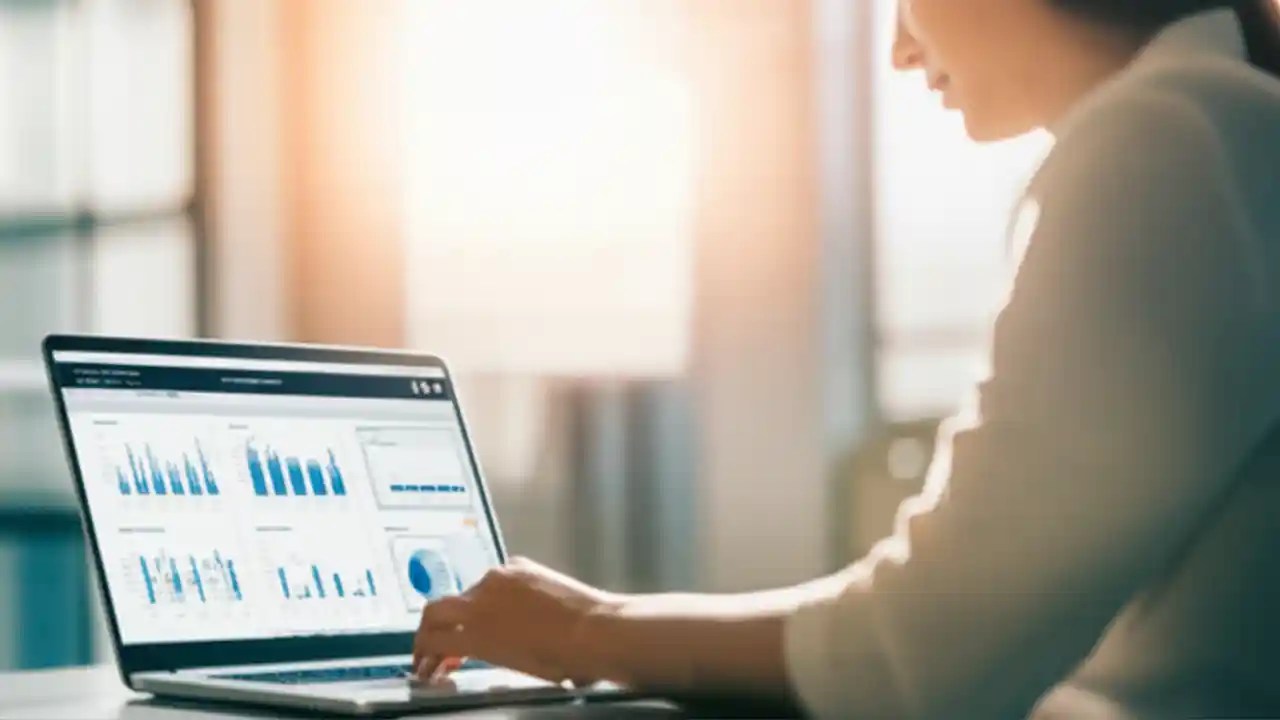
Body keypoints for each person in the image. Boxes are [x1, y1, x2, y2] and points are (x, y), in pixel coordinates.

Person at [414, 1, 1280, 717]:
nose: (900, 50)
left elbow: (921, 657)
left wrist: (584, 629)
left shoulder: (1171, 137)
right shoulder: (1219, 125)